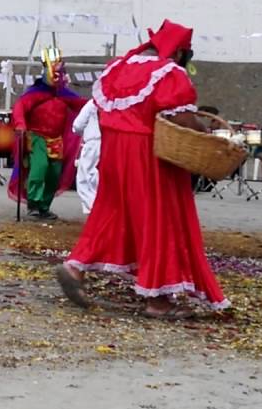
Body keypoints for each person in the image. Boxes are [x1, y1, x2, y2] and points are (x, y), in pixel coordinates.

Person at [56, 19, 228, 317]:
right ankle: (157, 300)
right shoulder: (168, 72)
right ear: (179, 53)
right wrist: (207, 133)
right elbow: (182, 120)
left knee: (110, 213)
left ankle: (74, 269)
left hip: (113, 152)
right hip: (148, 154)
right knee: (159, 220)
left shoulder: (118, 67)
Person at [8, 48, 86, 220]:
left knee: (54, 173)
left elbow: (84, 105)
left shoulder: (64, 95)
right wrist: (20, 125)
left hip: (56, 139)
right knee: (39, 168)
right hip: (37, 138)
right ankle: (33, 204)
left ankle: (44, 206)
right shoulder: (34, 93)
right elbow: (20, 108)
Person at [71, 98, 101, 215]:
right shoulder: (120, 102)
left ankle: (94, 209)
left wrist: (80, 133)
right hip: (112, 144)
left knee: (85, 177)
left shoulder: (93, 102)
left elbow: (78, 125)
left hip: (93, 143)